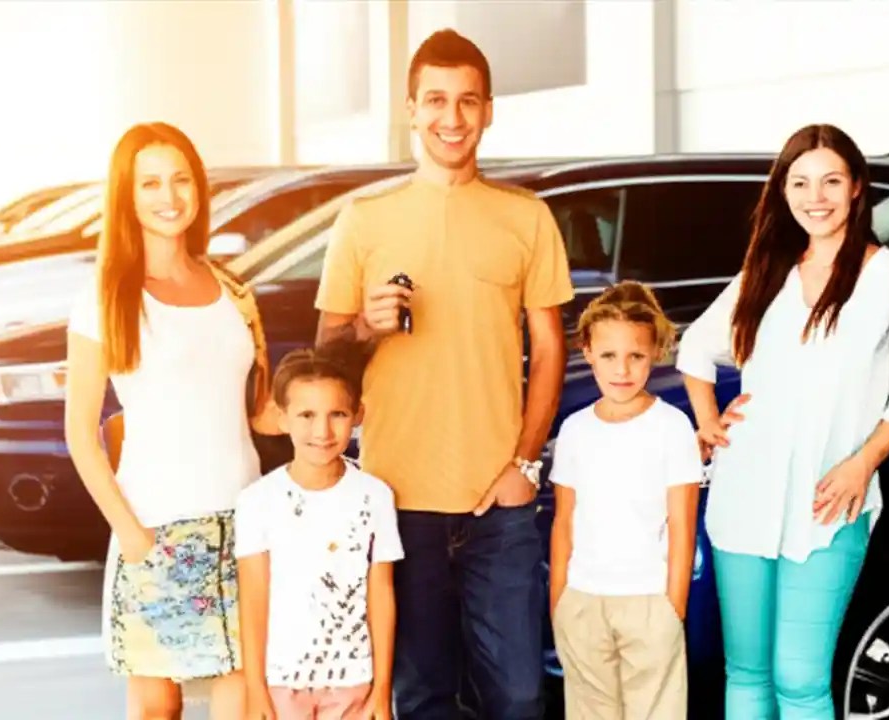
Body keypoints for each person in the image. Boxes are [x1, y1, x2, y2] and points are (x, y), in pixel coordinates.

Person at [313, 28, 574, 719]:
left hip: (501, 502)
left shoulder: (526, 217)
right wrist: (365, 325)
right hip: (397, 501)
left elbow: (550, 349)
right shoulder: (363, 220)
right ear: (410, 109)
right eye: (435, 100)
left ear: (488, 110)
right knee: (422, 696)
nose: (451, 118)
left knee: (518, 696)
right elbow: (325, 365)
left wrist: (525, 461)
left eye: (466, 101)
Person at [675, 123, 889, 718]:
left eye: (829, 181)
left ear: (856, 189)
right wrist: (709, 420)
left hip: (830, 502)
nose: (814, 196)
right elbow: (695, 349)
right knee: (746, 674)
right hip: (745, 494)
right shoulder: (767, 272)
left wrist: (861, 464)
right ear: (782, 190)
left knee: (799, 678)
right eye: (799, 182)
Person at [65, 121, 278, 720]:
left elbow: (260, 413)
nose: (169, 196)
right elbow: (80, 431)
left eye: (181, 179)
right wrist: (130, 534)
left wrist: (342, 398)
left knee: (244, 695)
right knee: (158, 706)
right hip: (156, 526)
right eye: (151, 182)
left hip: (245, 524)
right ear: (126, 197)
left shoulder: (234, 290)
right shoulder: (107, 296)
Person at [547, 282, 704, 719]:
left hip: (650, 603)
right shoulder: (576, 430)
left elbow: (681, 525)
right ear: (588, 351)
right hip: (583, 601)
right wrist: (560, 599)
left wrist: (673, 607)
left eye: (635, 355)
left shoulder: (672, 427)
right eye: (610, 355)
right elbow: (564, 522)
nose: (622, 369)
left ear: (655, 352)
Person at [236, 346, 403, 720]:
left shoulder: (374, 496)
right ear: (282, 418)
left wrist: (381, 691)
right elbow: (253, 598)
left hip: (354, 684)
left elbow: (382, 593)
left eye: (337, 414)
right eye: (306, 415)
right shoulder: (258, 501)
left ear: (358, 414)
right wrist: (256, 691)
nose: (322, 431)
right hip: (281, 684)